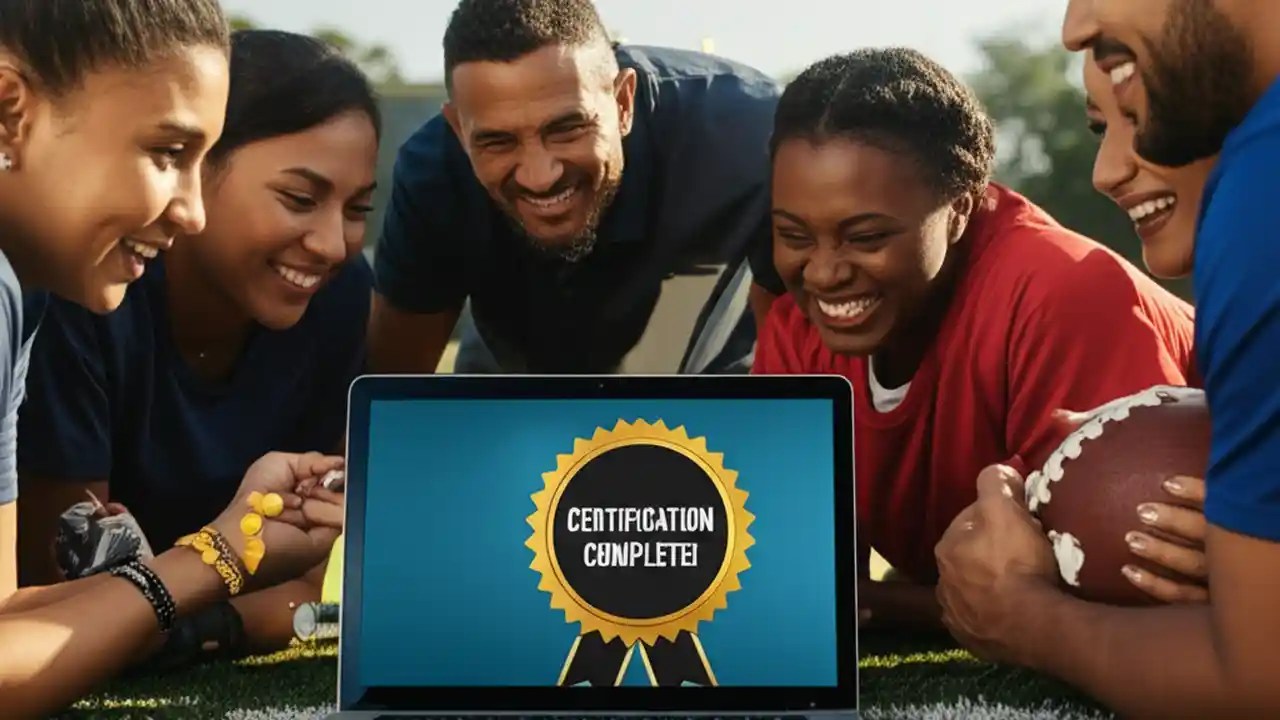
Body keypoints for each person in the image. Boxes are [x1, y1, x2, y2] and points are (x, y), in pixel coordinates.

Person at [748, 47, 1200, 629]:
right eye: (794, 236)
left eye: (865, 237)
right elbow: (799, 578)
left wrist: (887, 605)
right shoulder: (797, 327)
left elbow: (1124, 583)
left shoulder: (1059, 290)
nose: (824, 272)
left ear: (960, 208)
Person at [935, 1, 1280, 716]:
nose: (1071, 27)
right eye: (1103, 124)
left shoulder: (1257, 197)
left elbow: (1257, 679)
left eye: (1136, 105)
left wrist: (1023, 614)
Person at [0, 3, 343, 718]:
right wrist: (211, 561)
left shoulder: (25, 292)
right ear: (10, 112)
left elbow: (5, 617)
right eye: (167, 153)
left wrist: (228, 548)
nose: (192, 212)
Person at [368, 0, 784, 377]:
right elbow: (393, 394)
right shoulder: (434, 174)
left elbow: (801, 374)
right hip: (516, 389)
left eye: (567, 129)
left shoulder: (754, 138)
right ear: (459, 131)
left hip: (708, 394)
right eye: (498, 141)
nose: (539, 176)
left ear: (623, 103)